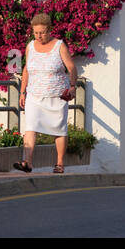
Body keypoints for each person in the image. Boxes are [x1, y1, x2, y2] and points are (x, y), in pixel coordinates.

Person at [14, 13, 77, 174]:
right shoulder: (30, 46)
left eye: (42, 32)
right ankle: (27, 162)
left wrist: (72, 86)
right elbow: (26, 69)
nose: (39, 36)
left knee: (59, 129)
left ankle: (60, 164)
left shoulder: (59, 46)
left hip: (57, 96)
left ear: (49, 30)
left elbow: (71, 68)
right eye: (36, 33)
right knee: (30, 127)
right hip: (34, 96)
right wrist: (22, 92)